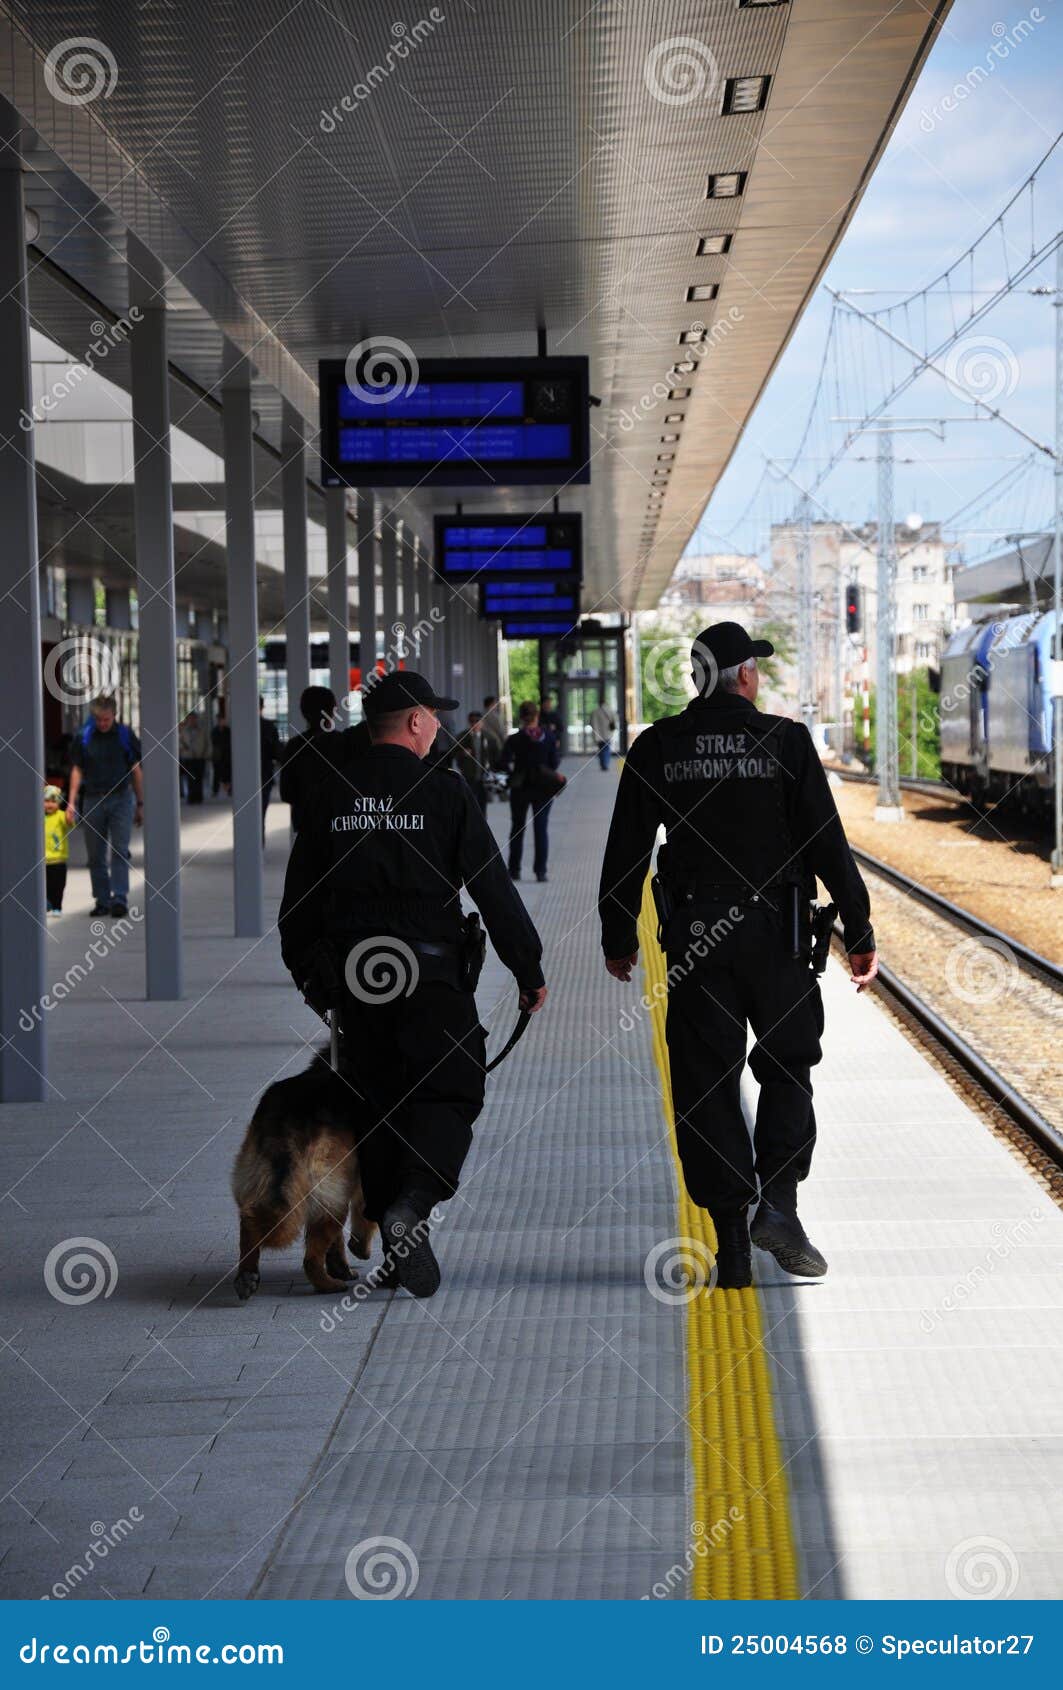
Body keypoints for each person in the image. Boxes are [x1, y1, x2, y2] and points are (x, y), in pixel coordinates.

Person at [597, 622, 878, 1289]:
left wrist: (617, 936)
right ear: (745, 675)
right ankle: (777, 1204)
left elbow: (626, 851)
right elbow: (826, 843)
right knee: (786, 1068)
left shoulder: (657, 746)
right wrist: (859, 930)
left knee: (705, 1085)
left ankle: (731, 1248)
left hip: (696, 942)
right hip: (777, 937)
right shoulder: (785, 741)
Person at [279, 670, 547, 1299]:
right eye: (435, 717)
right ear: (417, 721)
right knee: (452, 1089)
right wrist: (528, 970)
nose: (439, 729)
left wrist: (315, 984)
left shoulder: (329, 792)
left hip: (357, 983)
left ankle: (396, 1240)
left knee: (375, 1106)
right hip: (430, 979)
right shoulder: (445, 791)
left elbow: (297, 908)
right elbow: (492, 887)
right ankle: (414, 1203)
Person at [66, 693, 143, 919]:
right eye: (99, 719)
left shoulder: (125, 735)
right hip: (92, 799)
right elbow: (77, 770)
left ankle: (119, 898)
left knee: (120, 849)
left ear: (114, 715)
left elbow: (136, 771)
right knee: (95, 855)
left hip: (121, 799)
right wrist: (71, 802)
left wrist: (140, 803)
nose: (102, 723)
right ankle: (102, 900)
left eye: (106, 719)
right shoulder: (84, 736)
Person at [502, 702, 563, 883]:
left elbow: (502, 762)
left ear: (521, 717)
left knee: (517, 828)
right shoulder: (549, 736)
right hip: (544, 788)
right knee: (541, 828)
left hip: (520, 788)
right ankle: (540, 871)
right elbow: (555, 763)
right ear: (537, 716)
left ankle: (514, 870)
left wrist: (514, 773)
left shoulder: (514, 739)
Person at [280, 686, 347, 833]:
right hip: (339, 823)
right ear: (333, 711)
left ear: (304, 712)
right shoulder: (345, 743)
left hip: (305, 822)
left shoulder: (294, 746)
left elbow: (286, 793)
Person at [43, 784, 75, 915]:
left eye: (53, 801)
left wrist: (69, 817)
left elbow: (69, 824)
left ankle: (57, 906)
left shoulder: (61, 816)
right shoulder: (40, 818)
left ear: (59, 803)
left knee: (58, 885)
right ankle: (47, 903)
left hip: (58, 860)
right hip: (43, 860)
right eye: (46, 801)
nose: (49, 805)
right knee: (45, 885)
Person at [454, 710, 492, 813]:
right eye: (472, 721)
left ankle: (482, 821)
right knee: (469, 802)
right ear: (469, 722)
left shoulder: (488, 737)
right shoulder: (462, 737)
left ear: (482, 722)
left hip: (484, 775)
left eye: (477, 721)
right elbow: (453, 753)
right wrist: (463, 753)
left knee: (483, 803)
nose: (475, 724)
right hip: (469, 775)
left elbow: (495, 754)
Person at [259, 698, 281, 843]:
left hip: (245, 777)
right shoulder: (269, 727)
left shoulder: (240, 726)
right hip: (265, 774)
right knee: (261, 811)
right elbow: (277, 752)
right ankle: (259, 841)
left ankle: (252, 841)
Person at [179, 710, 208, 804]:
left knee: (199, 777)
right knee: (190, 778)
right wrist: (183, 749)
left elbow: (207, 743)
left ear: (197, 719)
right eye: (190, 719)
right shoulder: (184, 731)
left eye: (194, 718)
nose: (192, 720)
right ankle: (191, 797)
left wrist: (205, 754)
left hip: (200, 757)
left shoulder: (202, 730)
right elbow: (179, 742)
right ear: (188, 720)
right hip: (188, 758)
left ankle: (199, 797)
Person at [480, 695, 505, 773]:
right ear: (492, 704)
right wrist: (505, 743)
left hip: (484, 743)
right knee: (496, 765)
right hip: (496, 743)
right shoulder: (494, 715)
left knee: (489, 763)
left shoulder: (481, 715)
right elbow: (500, 731)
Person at [590, 700, 617, 771]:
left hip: (598, 734)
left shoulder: (595, 712)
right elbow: (614, 720)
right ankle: (605, 764)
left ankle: (603, 763)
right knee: (606, 749)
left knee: (601, 749)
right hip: (608, 733)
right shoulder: (610, 711)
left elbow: (591, 723)